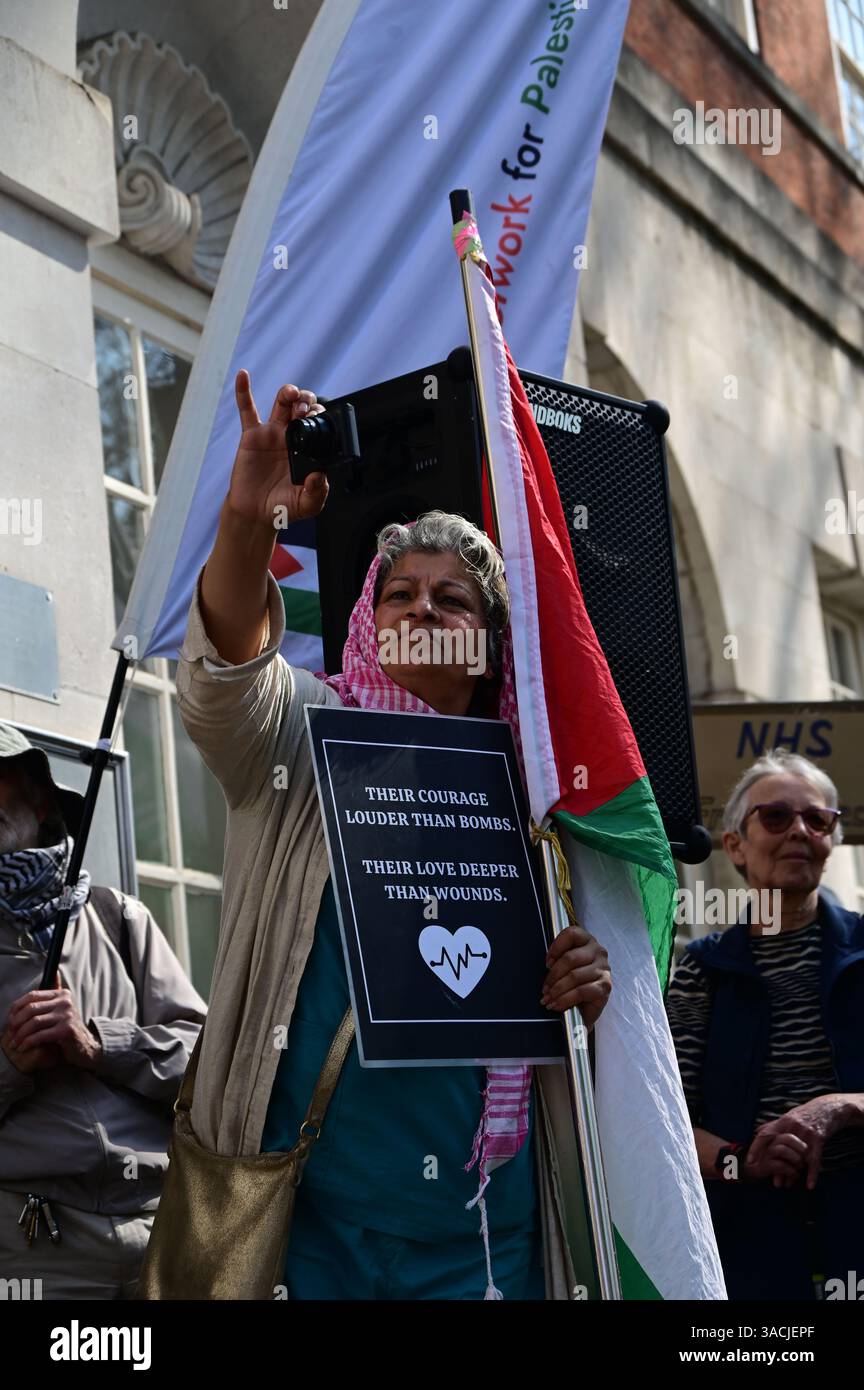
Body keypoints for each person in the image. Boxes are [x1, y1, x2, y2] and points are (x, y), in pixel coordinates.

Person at [167, 369, 612, 1300]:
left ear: (492, 644)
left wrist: (588, 980)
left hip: (482, 1237)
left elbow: (610, 989)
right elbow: (225, 677)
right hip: (306, 1221)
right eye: (400, 592)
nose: (421, 609)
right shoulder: (304, 736)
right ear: (369, 621)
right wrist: (252, 514)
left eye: (452, 601)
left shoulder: (540, 797)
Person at [0, 722, 206, 1299]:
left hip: (165, 1237)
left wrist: (102, 1046)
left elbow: (210, 1066)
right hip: (33, 1258)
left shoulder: (118, 918)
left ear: (39, 798)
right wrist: (10, 1066)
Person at [666, 747, 864, 1299]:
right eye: (776, 817)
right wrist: (739, 1164)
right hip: (753, 1243)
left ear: (832, 839)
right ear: (735, 846)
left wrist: (842, 1107)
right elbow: (669, 1121)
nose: (799, 830)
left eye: (817, 819)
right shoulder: (703, 970)